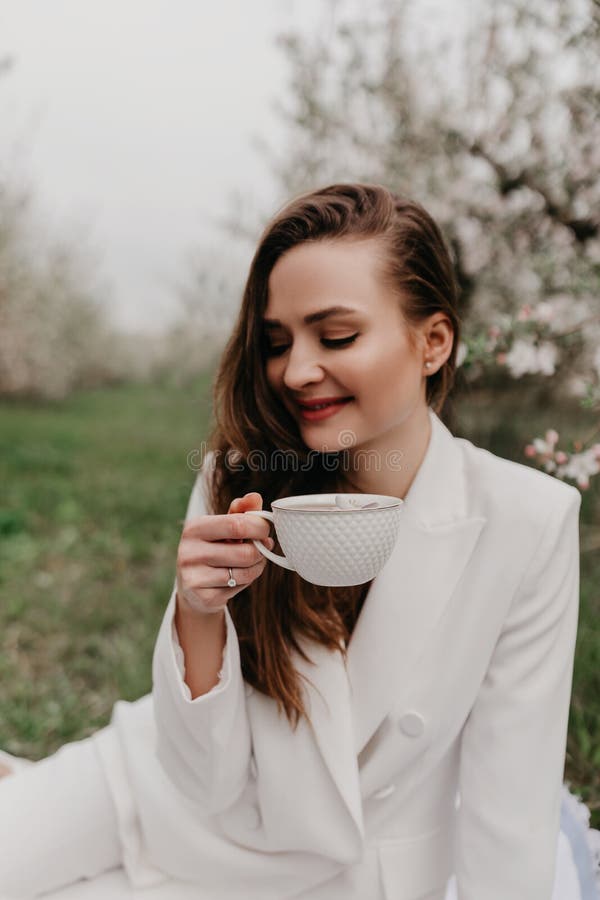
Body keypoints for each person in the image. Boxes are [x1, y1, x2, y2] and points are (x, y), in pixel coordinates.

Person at [1, 183, 598, 900]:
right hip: (152, 789)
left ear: (433, 342)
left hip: (338, 878)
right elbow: (200, 775)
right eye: (278, 342)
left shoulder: (526, 521)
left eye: (336, 336)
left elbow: (510, 816)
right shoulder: (243, 477)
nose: (295, 370)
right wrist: (197, 611)